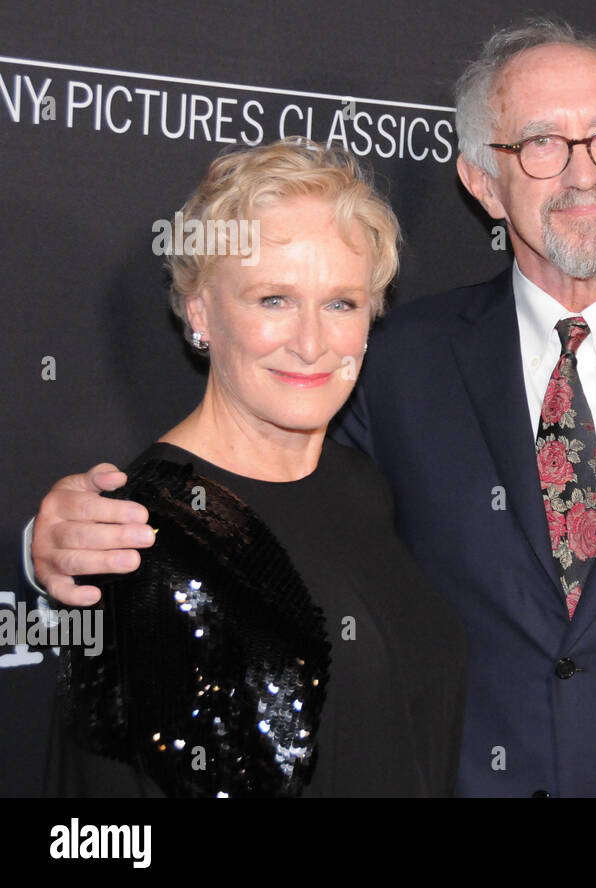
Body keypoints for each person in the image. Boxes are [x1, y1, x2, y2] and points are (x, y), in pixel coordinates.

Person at [31, 21, 596, 796]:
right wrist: (59, 538)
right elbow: (257, 500)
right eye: (540, 143)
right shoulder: (395, 365)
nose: (583, 171)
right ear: (481, 182)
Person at [44, 139, 466, 797]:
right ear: (201, 311)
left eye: (341, 302)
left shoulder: (361, 486)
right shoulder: (140, 540)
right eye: (273, 299)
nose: (311, 341)